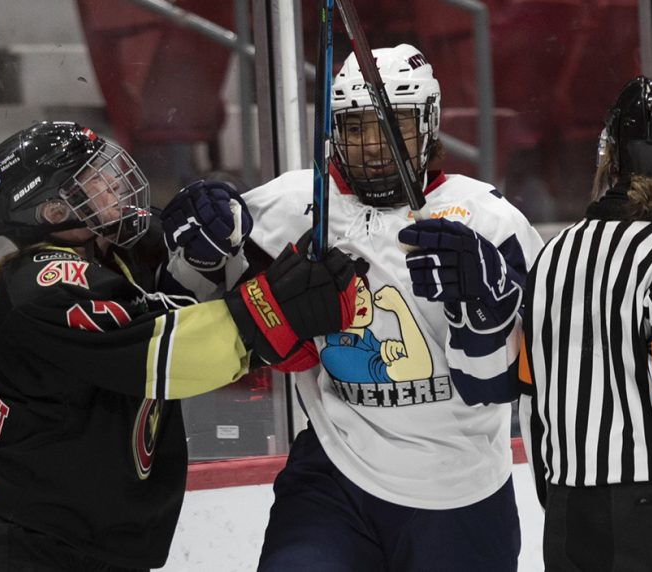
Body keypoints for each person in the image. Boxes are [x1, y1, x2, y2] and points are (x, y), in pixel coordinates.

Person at [163, 44, 544, 571]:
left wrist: (488, 309)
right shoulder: (294, 204)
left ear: (429, 125)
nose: (372, 147)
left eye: (394, 126)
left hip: (460, 492)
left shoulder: (489, 220)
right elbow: (184, 309)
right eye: (356, 128)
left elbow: (504, 386)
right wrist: (195, 253)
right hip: (333, 476)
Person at [0, 121, 356, 572]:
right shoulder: (41, 288)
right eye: (91, 179)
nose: (112, 182)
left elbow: (166, 301)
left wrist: (205, 247)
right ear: (53, 212)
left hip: (88, 543)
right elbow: (166, 352)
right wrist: (270, 311)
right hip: (29, 550)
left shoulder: (112, 257)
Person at [424, 77, 652, 571]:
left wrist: (562, 503)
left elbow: (535, 402)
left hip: (570, 521)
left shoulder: (555, 255)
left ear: (609, 151)